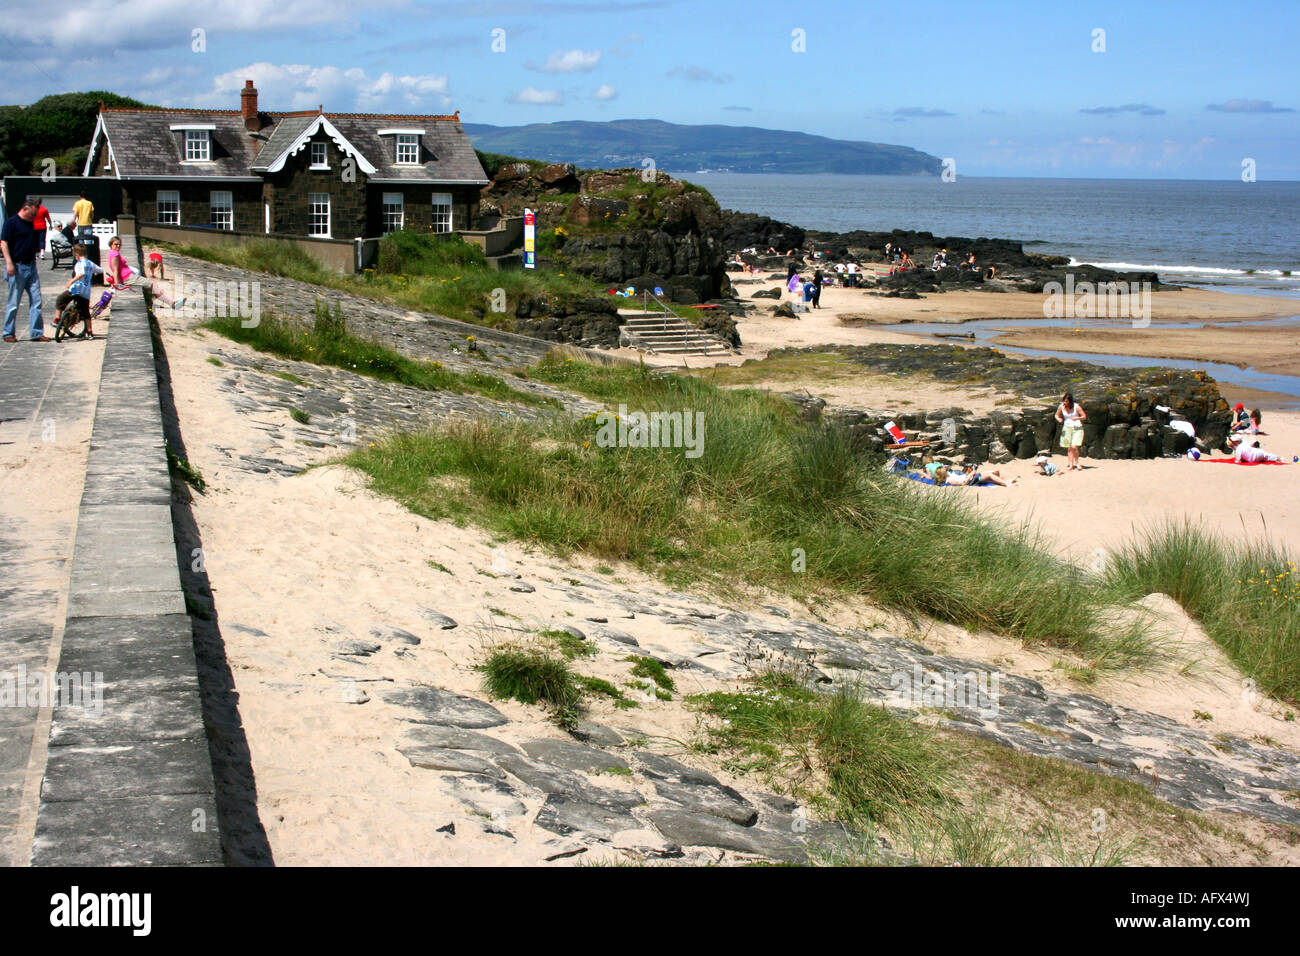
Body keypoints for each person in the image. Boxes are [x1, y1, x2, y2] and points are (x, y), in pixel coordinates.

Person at [2, 199, 47, 342]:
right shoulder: (11, 223)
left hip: (31, 265)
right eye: (32, 215)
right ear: (26, 209)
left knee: (36, 300)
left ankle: (36, 333)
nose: (34, 218)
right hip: (17, 266)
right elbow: (3, 243)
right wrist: (9, 263)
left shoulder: (30, 223)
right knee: (14, 302)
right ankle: (8, 333)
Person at [104, 236, 183, 308]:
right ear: (111, 244)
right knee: (153, 285)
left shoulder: (111, 253)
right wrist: (117, 284)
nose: (118, 246)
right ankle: (172, 303)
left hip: (128, 277)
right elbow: (115, 270)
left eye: (119, 244)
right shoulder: (115, 254)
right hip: (128, 278)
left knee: (151, 286)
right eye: (116, 244)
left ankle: (171, 301)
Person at [54, 243, 105, 340]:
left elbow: (81, 274)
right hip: (85, 292)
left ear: (77, 255)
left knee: (60, 299)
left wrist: (71, 281)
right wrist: (93, 273)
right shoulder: (90, 263)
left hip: (76, 289)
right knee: (85, 312)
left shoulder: (80, 263)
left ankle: (57, 320)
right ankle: (89, 332)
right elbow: (100, 270)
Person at [1055, 392, 1087, 470]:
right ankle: (1071, 464)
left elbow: (1084, 416)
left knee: (1074, 446)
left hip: (1077, 427)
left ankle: (1077, 463)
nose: (1064, 403)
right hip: (1066, 427)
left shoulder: (1077, 407)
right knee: (1069, 447)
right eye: (1064, 401)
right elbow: (1056, 415)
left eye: (1066, 401)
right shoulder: (1061, 406)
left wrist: (1077, 418)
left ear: (1070, 401)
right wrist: (1058, 419)